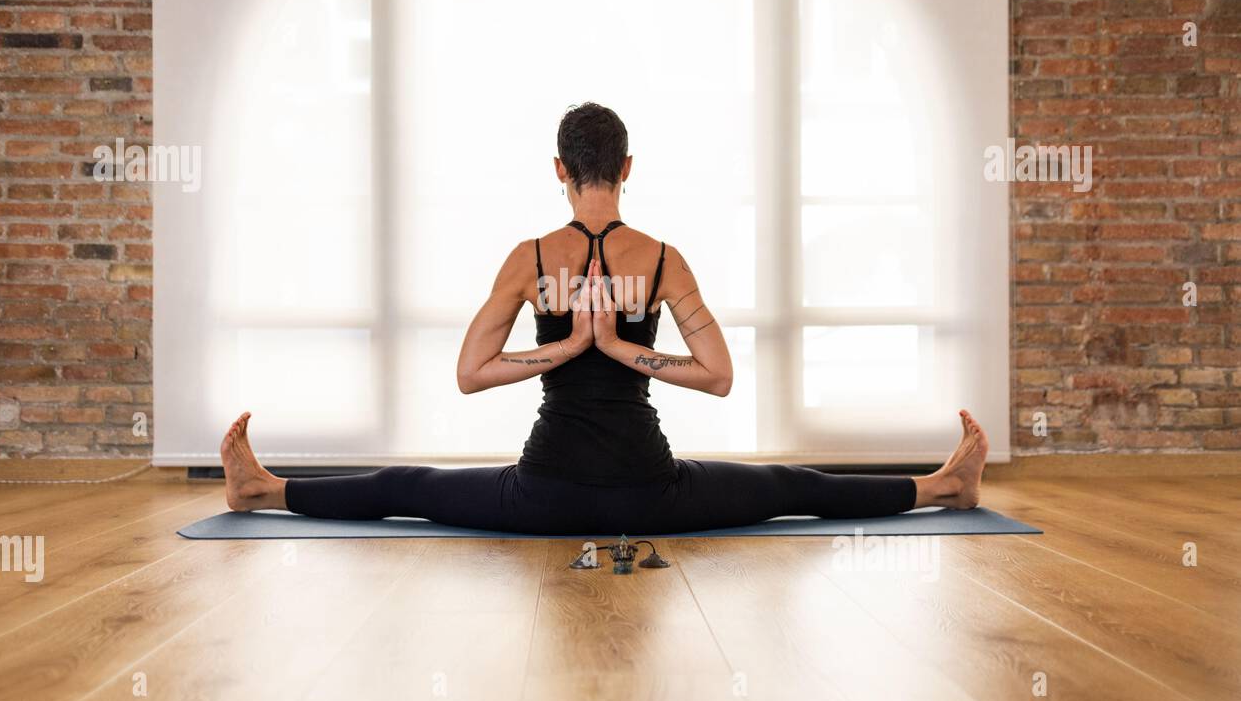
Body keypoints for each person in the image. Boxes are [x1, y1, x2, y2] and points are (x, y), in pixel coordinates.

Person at [220, 102, 987, 535]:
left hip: (541, 494)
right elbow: (718, 379)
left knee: (412, 485)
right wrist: (620, 347)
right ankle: (940, 487)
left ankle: (264, 489)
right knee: (787, 483)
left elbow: (468, 376)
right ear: (626, 169)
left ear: (560, 170)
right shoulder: (660, 260)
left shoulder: (530, 257)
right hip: (651, 493)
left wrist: (572, 348)